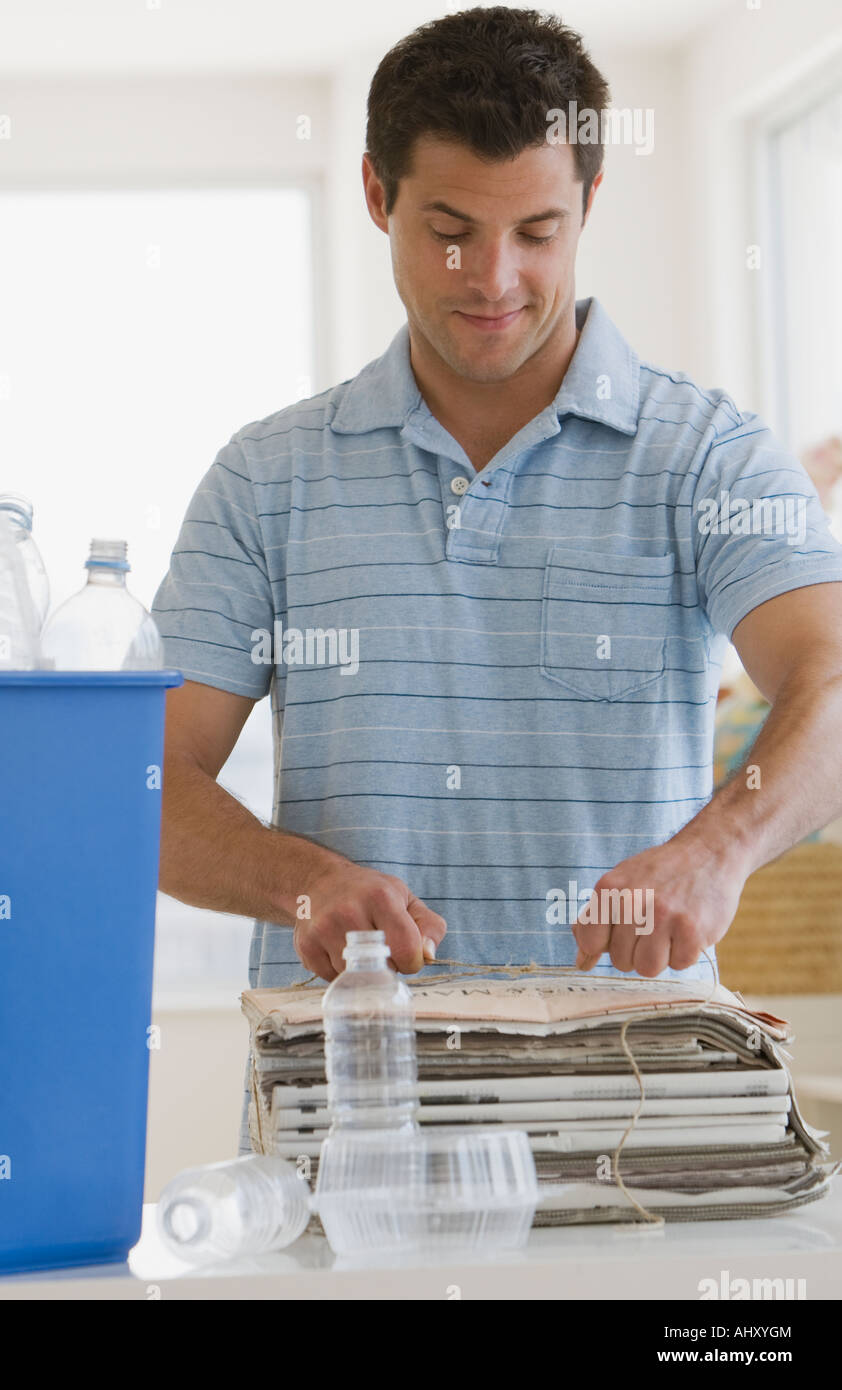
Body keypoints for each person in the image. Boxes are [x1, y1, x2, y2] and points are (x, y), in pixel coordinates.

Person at [150, 7, 842, 1152]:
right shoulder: (265, 478)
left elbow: (830, 675)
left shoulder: (707, 453)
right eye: (450, 229)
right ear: (378, 195)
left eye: (538, 229)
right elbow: (148, 784)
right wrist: (300, 881)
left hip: (647, 1121)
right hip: (349, 1132)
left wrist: (717, 848)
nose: (496, 279)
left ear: (591, 202)